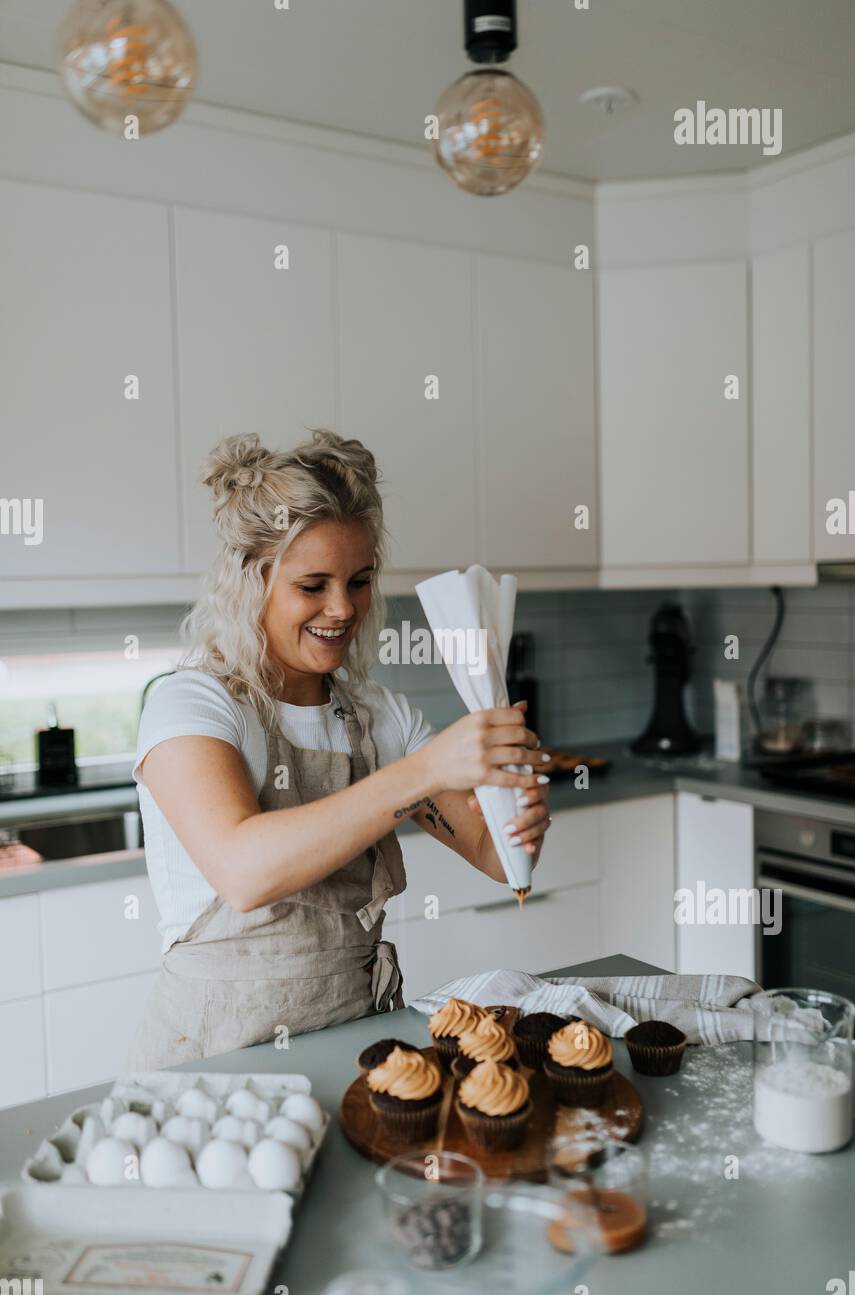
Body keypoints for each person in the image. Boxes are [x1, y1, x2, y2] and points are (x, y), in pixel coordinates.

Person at [126, 429, 550, 1068]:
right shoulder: (193, 705)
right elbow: (244, 872)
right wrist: (426, 769)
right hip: (214, 1057)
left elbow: (494, 853)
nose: (342, 608)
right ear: (252, 581)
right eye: (313, 584)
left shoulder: (381, 717)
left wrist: (514, 792)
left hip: (358, 1047)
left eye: (359, 581)